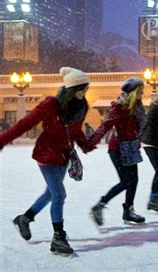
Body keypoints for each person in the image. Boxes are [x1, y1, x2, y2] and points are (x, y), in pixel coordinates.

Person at [0, 67, 92, 255]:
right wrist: (2, 140)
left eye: (86, 88)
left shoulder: (81, 106)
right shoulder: (52, 104)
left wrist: (85, 144)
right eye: (82, 88)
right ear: (72, 89)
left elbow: (75, 130)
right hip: (46, 155)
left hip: (63, 156)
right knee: (59, 194)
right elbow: (24, 123)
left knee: (50, 194)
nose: (84, 92)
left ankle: (24, 219)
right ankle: (58, 237)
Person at [89, 77, 146, 226]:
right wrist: (91, 142)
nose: (143, 94)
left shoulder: (137, 107)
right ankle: (99, 206)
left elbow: (141, 127)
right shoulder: (119, 107)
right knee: (126, 181)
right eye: (140, 91)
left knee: (134, 180)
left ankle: (128, 211)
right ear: (133, 92)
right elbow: (106, 125)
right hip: (118, 149)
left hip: (132, 146)